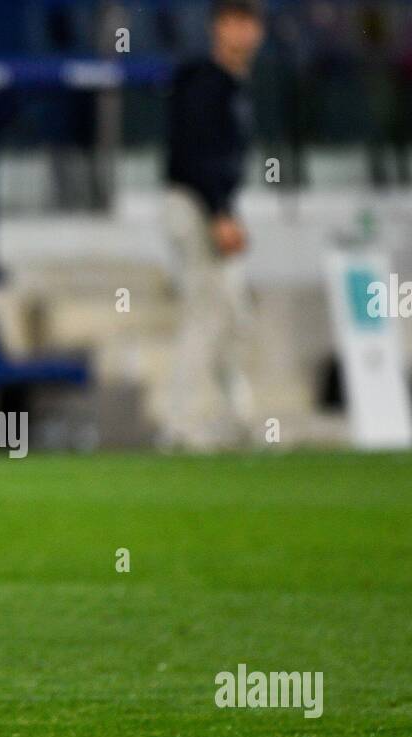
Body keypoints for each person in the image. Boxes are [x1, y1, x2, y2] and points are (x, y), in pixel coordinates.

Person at [162, 0, 266, 450]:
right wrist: (220, 212)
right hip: (196, 205)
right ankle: (179, 424)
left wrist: (227, 209)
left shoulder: (232, 84)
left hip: (214, 205)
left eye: (249, 23)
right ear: (217, 27)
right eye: (234, 21)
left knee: (231, 314)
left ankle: (240, 422)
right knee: (208, 313)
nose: (242, 32)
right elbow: (197, 154)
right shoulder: (205, 81)